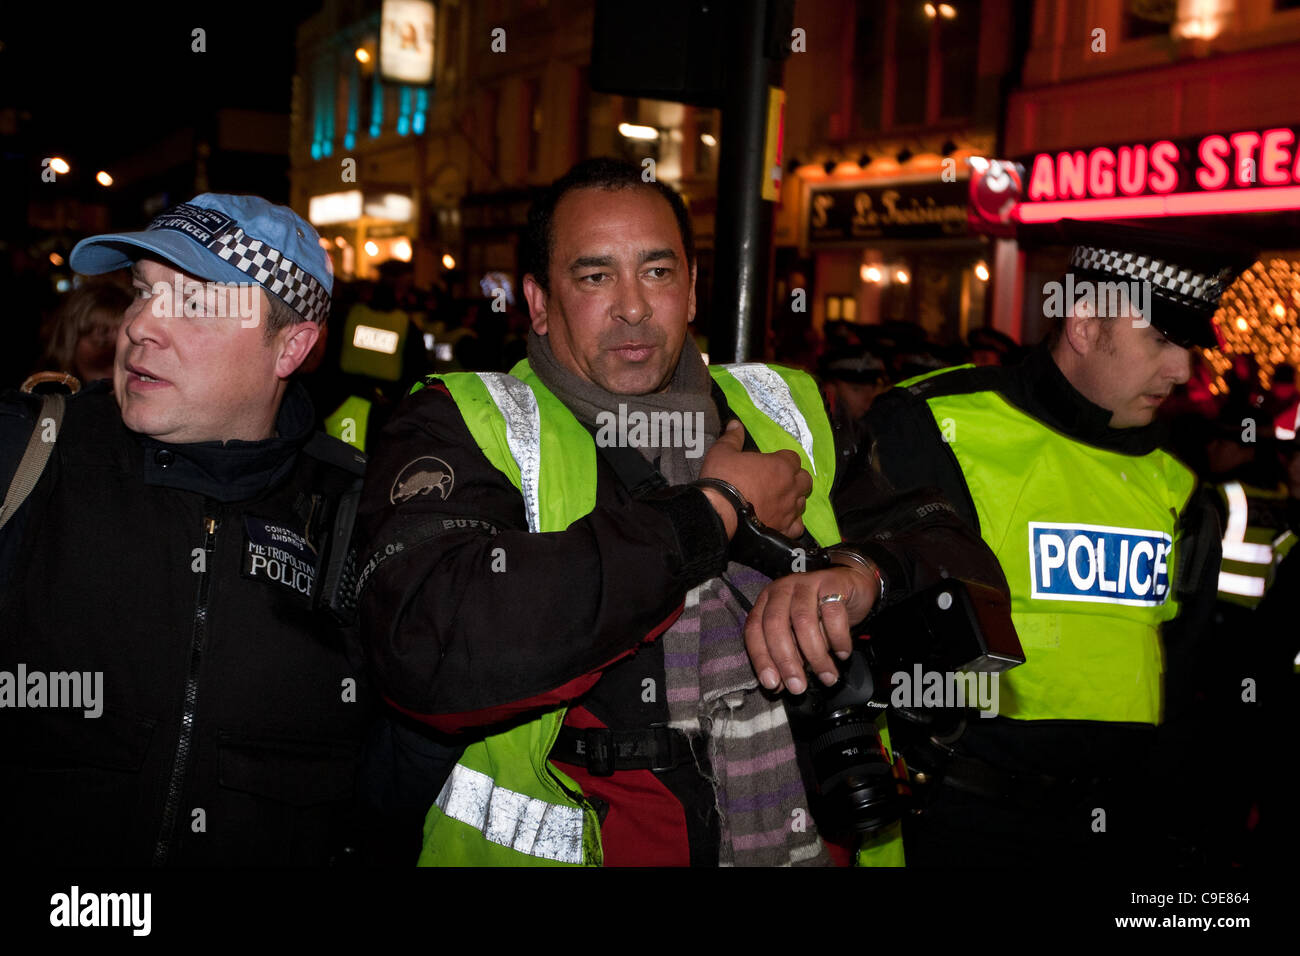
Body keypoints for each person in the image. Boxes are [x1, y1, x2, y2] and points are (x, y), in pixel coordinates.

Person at [355, 158, 1008, 867]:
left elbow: (953, 550)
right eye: (595, 276)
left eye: (659, 272)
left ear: (694, 290)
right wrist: (712, 510)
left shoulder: (785, 407)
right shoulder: (465, 424)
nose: (633, 307)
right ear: (539, 303)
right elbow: (430, 647)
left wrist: (860, 575)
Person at [866, 218, 1256, 866]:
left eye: (1190, 347)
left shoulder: (1181, 487)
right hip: (957, 827)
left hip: (1116, 830)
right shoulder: (931, 428)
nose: (1183, 369)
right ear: (1083, 324)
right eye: (1160, 339)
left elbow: (1183, 688)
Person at [0, 193, 373, 866]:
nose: (141, 325)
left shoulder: (359, 514)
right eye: (142, 292)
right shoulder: (31, 454)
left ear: (290, 347)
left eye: (194, 303)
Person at [32, 278, 132, 386]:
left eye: (129, 340)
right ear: (68, 340)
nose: (116, 353)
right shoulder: (41, 396)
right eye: (102, 338)